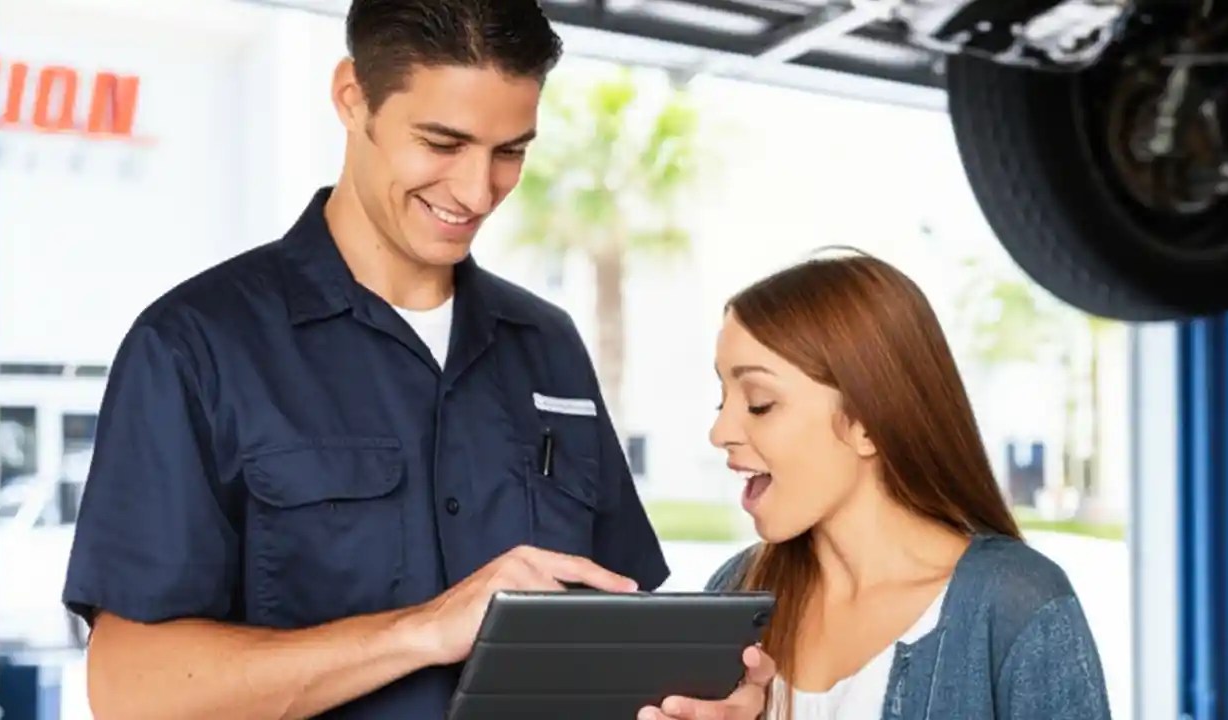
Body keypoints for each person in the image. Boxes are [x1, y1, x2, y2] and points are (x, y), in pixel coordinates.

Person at [61, 2, 771, 718]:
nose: (476, 190)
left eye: (510, 152)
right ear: (352, 97)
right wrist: (424, 631)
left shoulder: (547, 345)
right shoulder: (195, 345)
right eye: (442, 142)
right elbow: (129, 690)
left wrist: (697, 701)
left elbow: (618, 643)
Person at [704, 251, 1112, 719]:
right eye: (721, 399)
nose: (720, 433)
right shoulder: (735, 592)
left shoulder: (1016, 604)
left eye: (759, 403)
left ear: (865, 423)